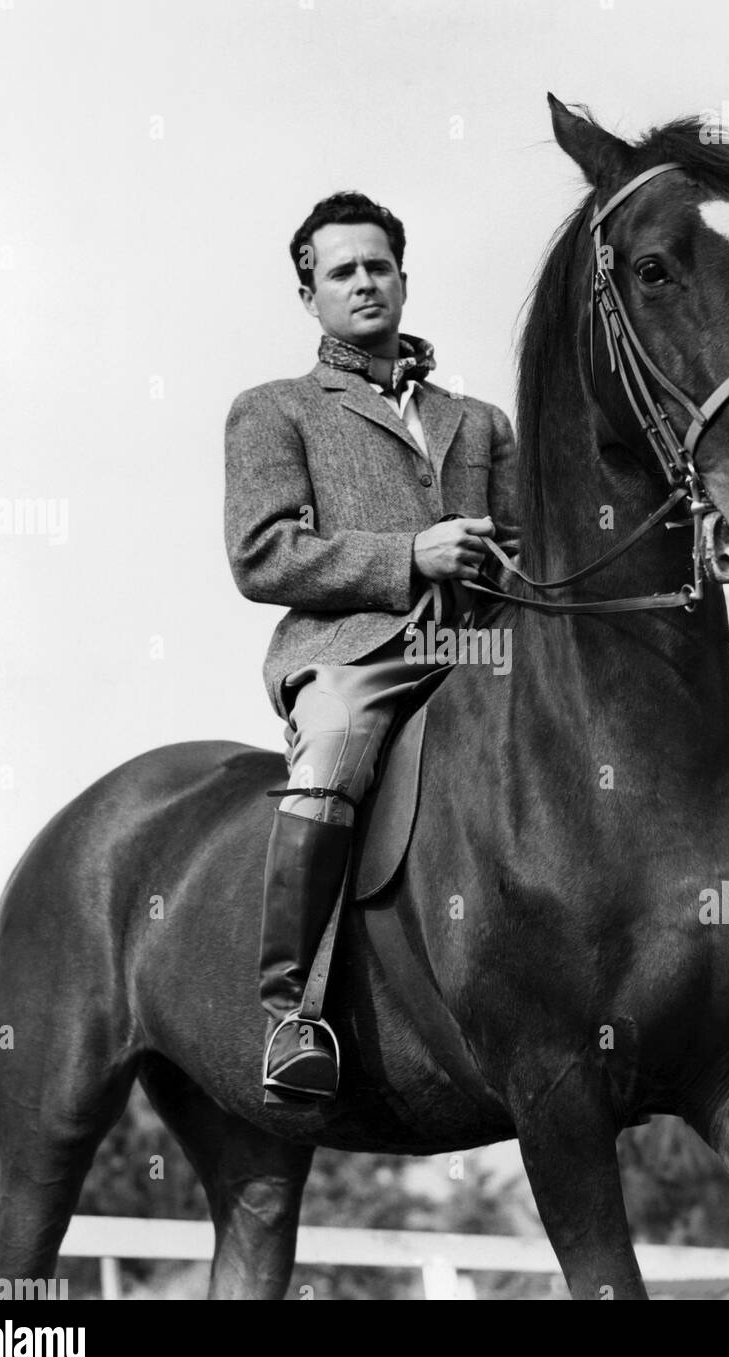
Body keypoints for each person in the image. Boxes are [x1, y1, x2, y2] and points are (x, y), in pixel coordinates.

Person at [224, 191, 520, 1102]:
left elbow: (523, 551)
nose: (363, 283)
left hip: (478, 648)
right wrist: (409, 554)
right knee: (340, 745)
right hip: (354, 652)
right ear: (308, 294)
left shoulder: (479, 422)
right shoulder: (274, 411)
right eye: (340, 271)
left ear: (402, 277)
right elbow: (261, 555)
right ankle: (293, 1018)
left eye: (377, 266)